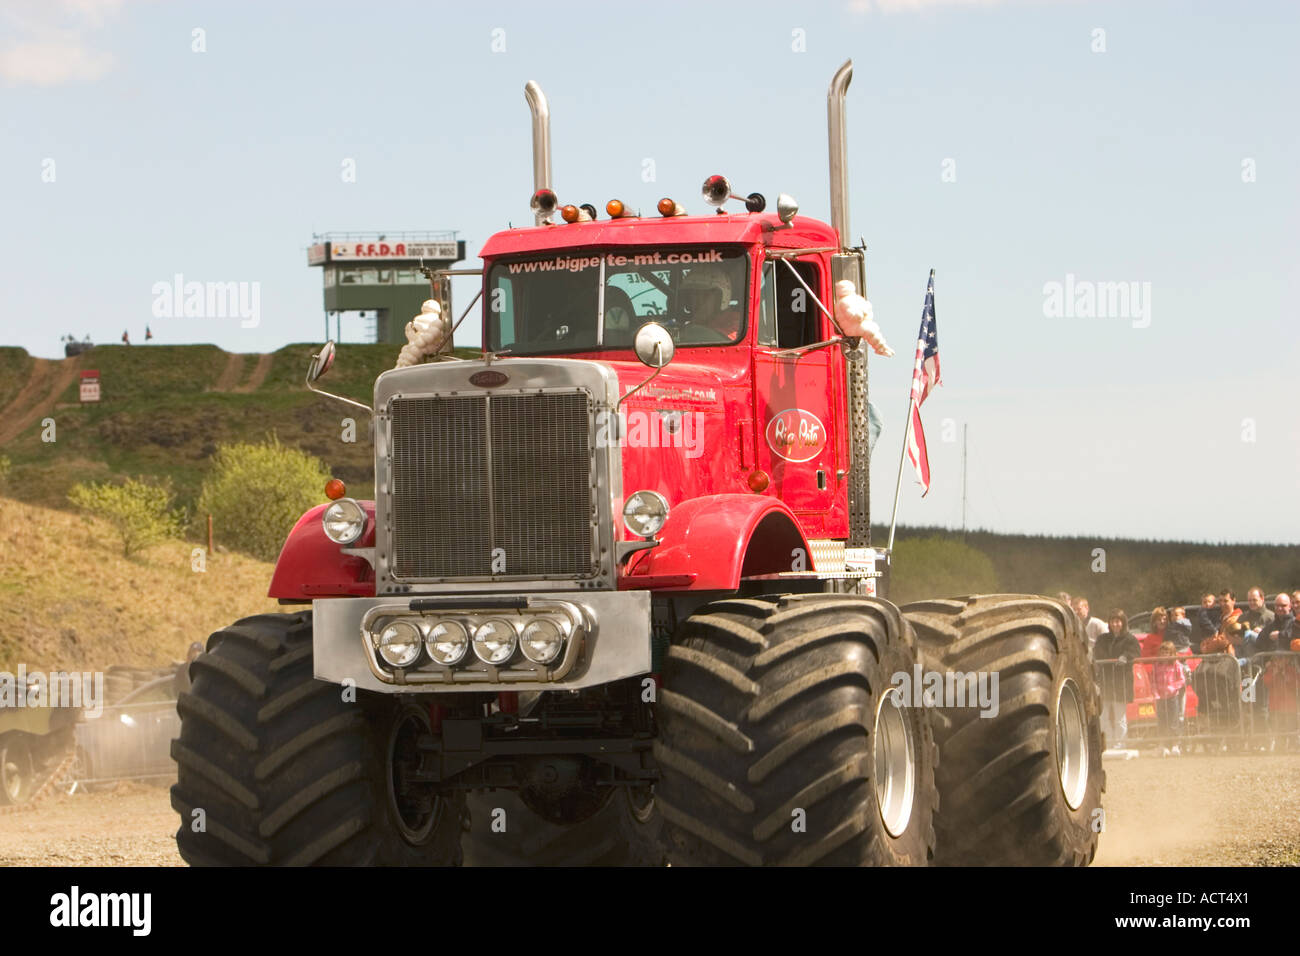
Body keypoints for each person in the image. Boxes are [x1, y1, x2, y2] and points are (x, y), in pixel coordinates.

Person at [1094, 609, 1141, 750]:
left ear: (1123, 622)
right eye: (1113, 621)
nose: (1116, 624)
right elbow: (1098, 652)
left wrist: (1125, 656)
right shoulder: (1103, 639)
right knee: (1104, 716)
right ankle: (1107, 741)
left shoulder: (1130, 639)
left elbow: (1135, 651)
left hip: (1121, 683)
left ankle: (1120, 743)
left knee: (1120, 716)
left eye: (1118, 621)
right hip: (1106, 682)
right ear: (1109, 623)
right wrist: (1108, 660)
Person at [678, 265, 741, 343]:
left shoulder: (736, 322)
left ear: (722, 299)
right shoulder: (693, 325)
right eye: (693, 295)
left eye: (705, 295)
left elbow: (722, 341)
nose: (697, 301)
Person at [1152, 640, 1188, 756]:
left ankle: (1175, 745)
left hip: (1173, 697)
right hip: (1160, 697)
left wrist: (1173, 687)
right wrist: (1156, 693)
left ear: (1172, 653)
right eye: (1163, 653)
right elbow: (1153, 681)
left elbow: (1182, 680)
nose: (1165, 655)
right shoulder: (1156, 665)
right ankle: (1163, 745)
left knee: (1173, 720)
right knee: (1162, 721)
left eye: (1167, 652)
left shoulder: (1176, 664)